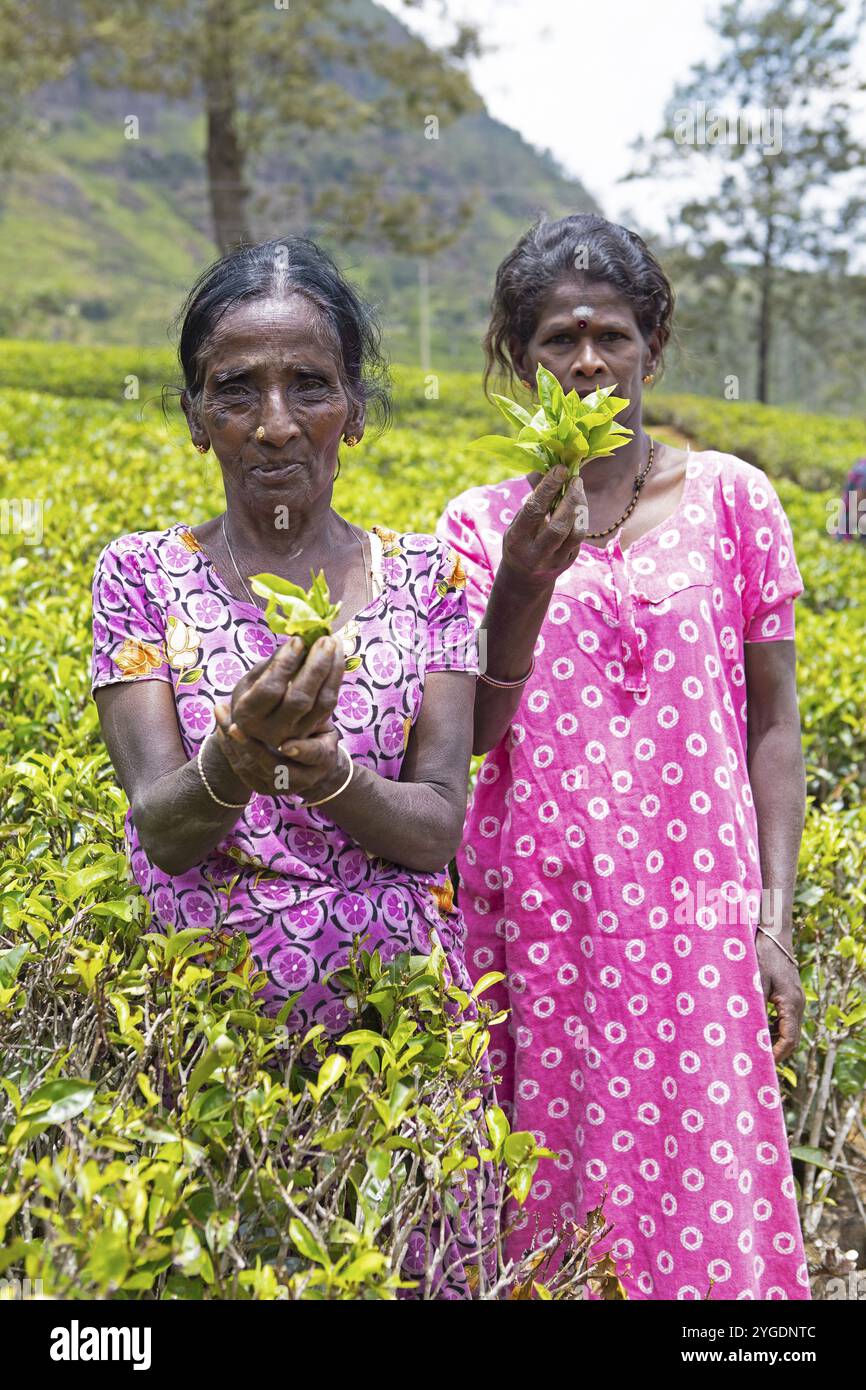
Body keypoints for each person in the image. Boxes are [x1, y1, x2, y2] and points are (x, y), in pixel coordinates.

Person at [89, 235, 487, 1295]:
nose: (273, 422)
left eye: (308, 384)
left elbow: (437, 824)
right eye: (235, 390)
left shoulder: (429, 579)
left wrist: (328, 780)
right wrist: (236, 754)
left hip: (393, 1036)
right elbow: (164, 828)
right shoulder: (140, 579)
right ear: (192, 416)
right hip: (218, 1049)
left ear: (353, 409)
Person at [436, 213, 811, 1300]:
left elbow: (773, 724)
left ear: (654, 341)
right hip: (535, 921)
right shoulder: (476, 525)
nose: (587, 360)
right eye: (557, 338)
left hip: (695, 921)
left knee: (703, 1190)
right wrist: (522, 577)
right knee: (546, 1194)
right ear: (519, 358)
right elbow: (472, 736)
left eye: (610, 333)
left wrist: (770, 922)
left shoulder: (732, 501)